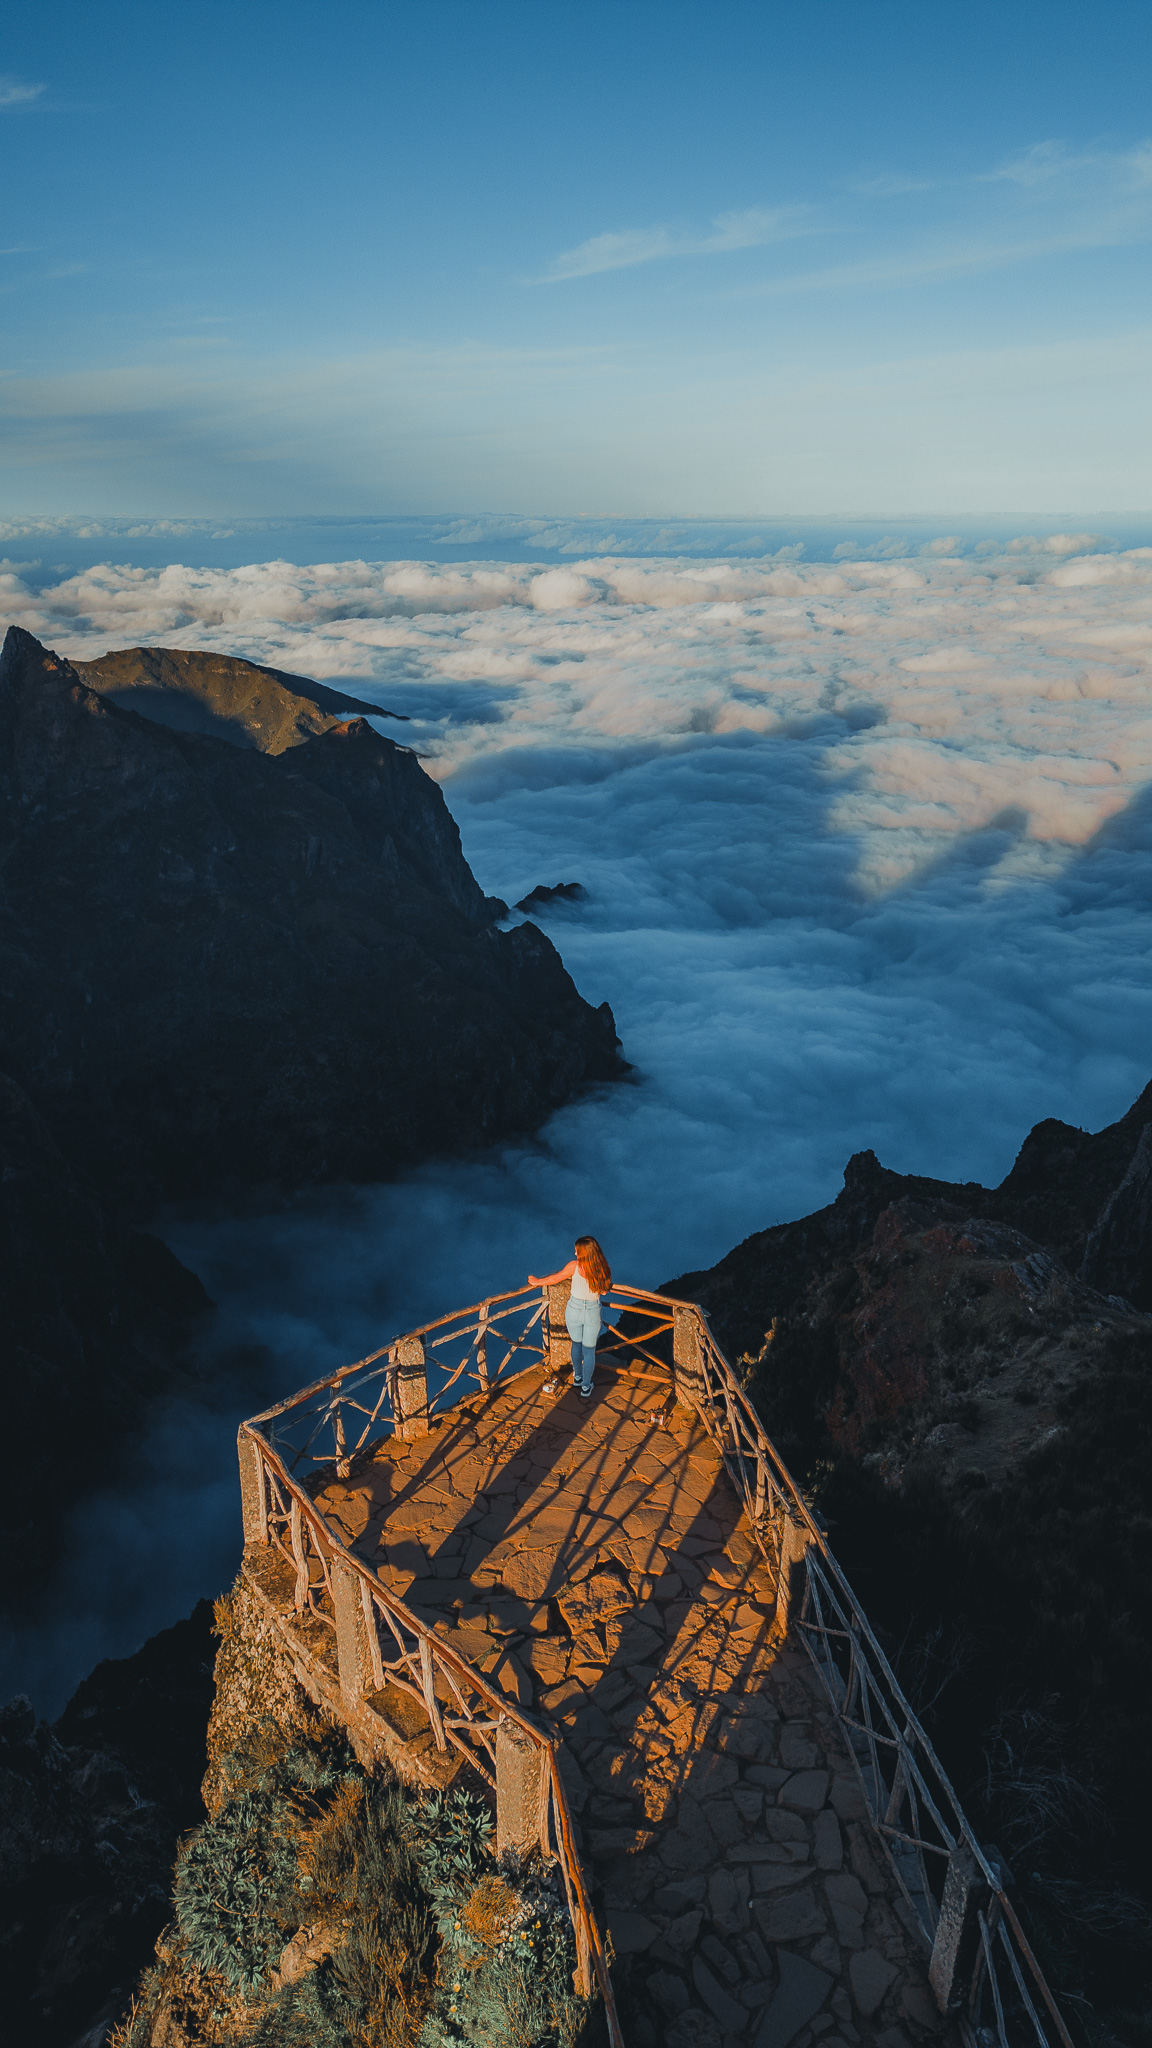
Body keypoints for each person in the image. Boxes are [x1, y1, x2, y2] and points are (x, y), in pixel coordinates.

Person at [528, 1235, 612, 1400]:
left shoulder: (574, 1267)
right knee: (589, 1352)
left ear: (584, 1252)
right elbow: (603, 1291)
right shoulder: (603, 1268)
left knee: (576, 1344)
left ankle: (577, 1377)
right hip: (592, 1311)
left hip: (574, 1308)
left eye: (577, 1250)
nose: (574, 1253)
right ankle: (586, 1386)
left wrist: (537, 1281)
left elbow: (555, 1278)